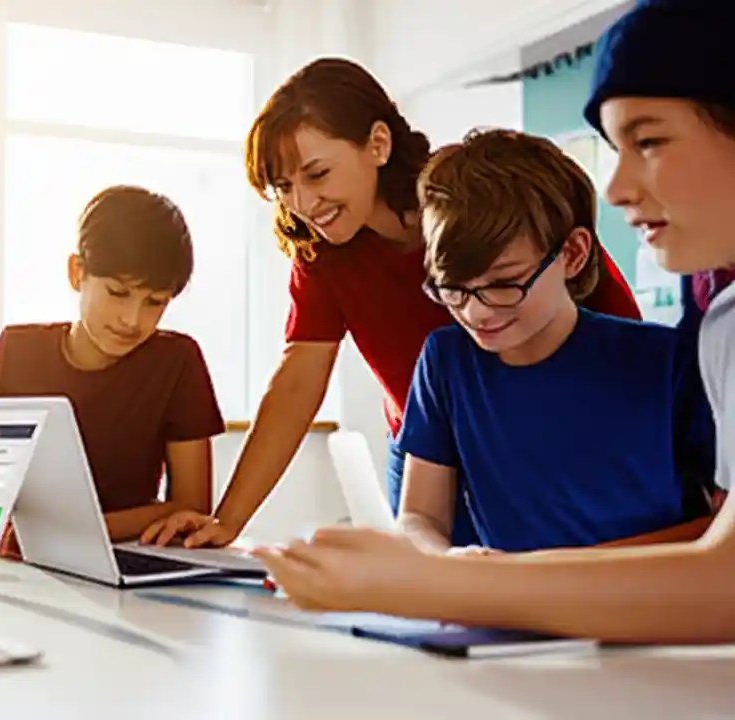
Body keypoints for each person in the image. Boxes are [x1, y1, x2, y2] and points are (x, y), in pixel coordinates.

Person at [254, 0, 735, 643]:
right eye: (452, 289)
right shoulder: (716, 308)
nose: (618, 190)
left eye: (648, 142)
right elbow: (304, 386)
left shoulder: (667, 352)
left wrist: (439, 584)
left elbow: (717, 571)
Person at [144, 57, 641, 549]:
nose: (302, 203)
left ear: (378, 145)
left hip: (527, 433)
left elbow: (616, 326)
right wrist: (229, 521)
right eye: (283, 188)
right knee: (433, 591)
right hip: (425, 449)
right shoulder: (322, 251)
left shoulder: (471, 197)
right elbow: (298, 379)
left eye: (317, 173)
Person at [396, 128, 713, 556]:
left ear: (572, 254)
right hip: (513, 614)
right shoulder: (447, 362)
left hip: (646, 612)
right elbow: (420, 517)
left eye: (504, 283)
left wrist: (559, 575)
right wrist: (451, 560)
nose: (477, 312)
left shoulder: (668, 361)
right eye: (453, 288)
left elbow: (719, 532)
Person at [0, 185, 225, 544]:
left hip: (128, 558)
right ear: (77, 272)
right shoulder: (16, 351)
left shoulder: (177, 361)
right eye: (118, 293)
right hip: (21, 559)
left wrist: (72, 535)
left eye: (155, 302)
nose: (132, 320)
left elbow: (192, 507)